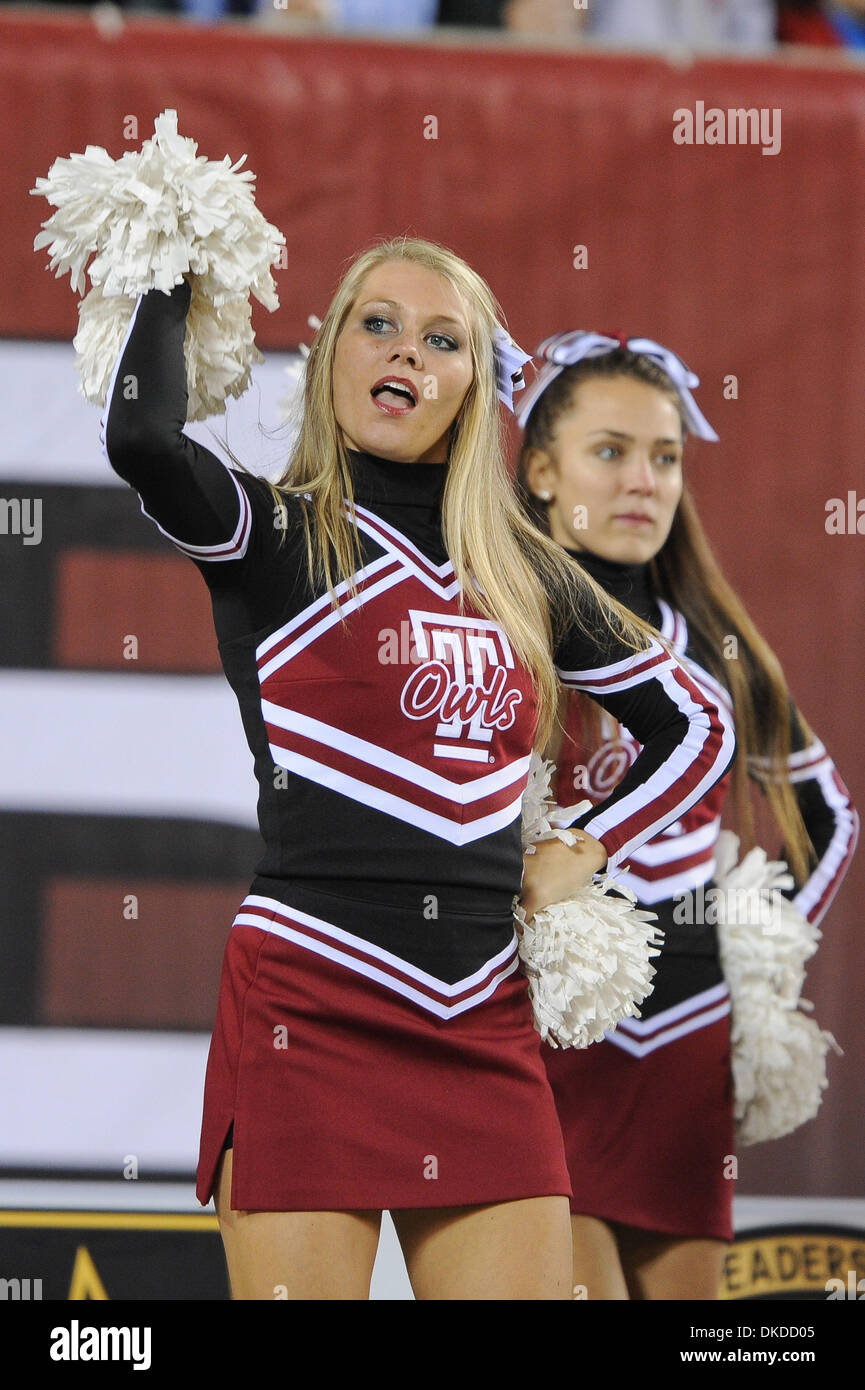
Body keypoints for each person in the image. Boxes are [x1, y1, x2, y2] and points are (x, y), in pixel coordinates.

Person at [101, 241, 733, 1300]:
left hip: (479, 1012)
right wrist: (173, 258)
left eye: (445, 341)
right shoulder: (273, 533)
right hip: (310, 997)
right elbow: (142, 438)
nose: (407, 354)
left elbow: (696, 725)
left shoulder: (519, 571)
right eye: (377, 324)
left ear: (475, 388)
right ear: (331, 354)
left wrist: (584, 847)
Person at [515, 330, 858, 1300]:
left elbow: (825, 817)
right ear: (540, 470)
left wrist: (748, 951)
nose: (644, 481)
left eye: (665, 456)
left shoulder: (712, 643)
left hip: (683, 1046)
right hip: (549, 1043)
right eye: (610, 451)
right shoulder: (501, 623)